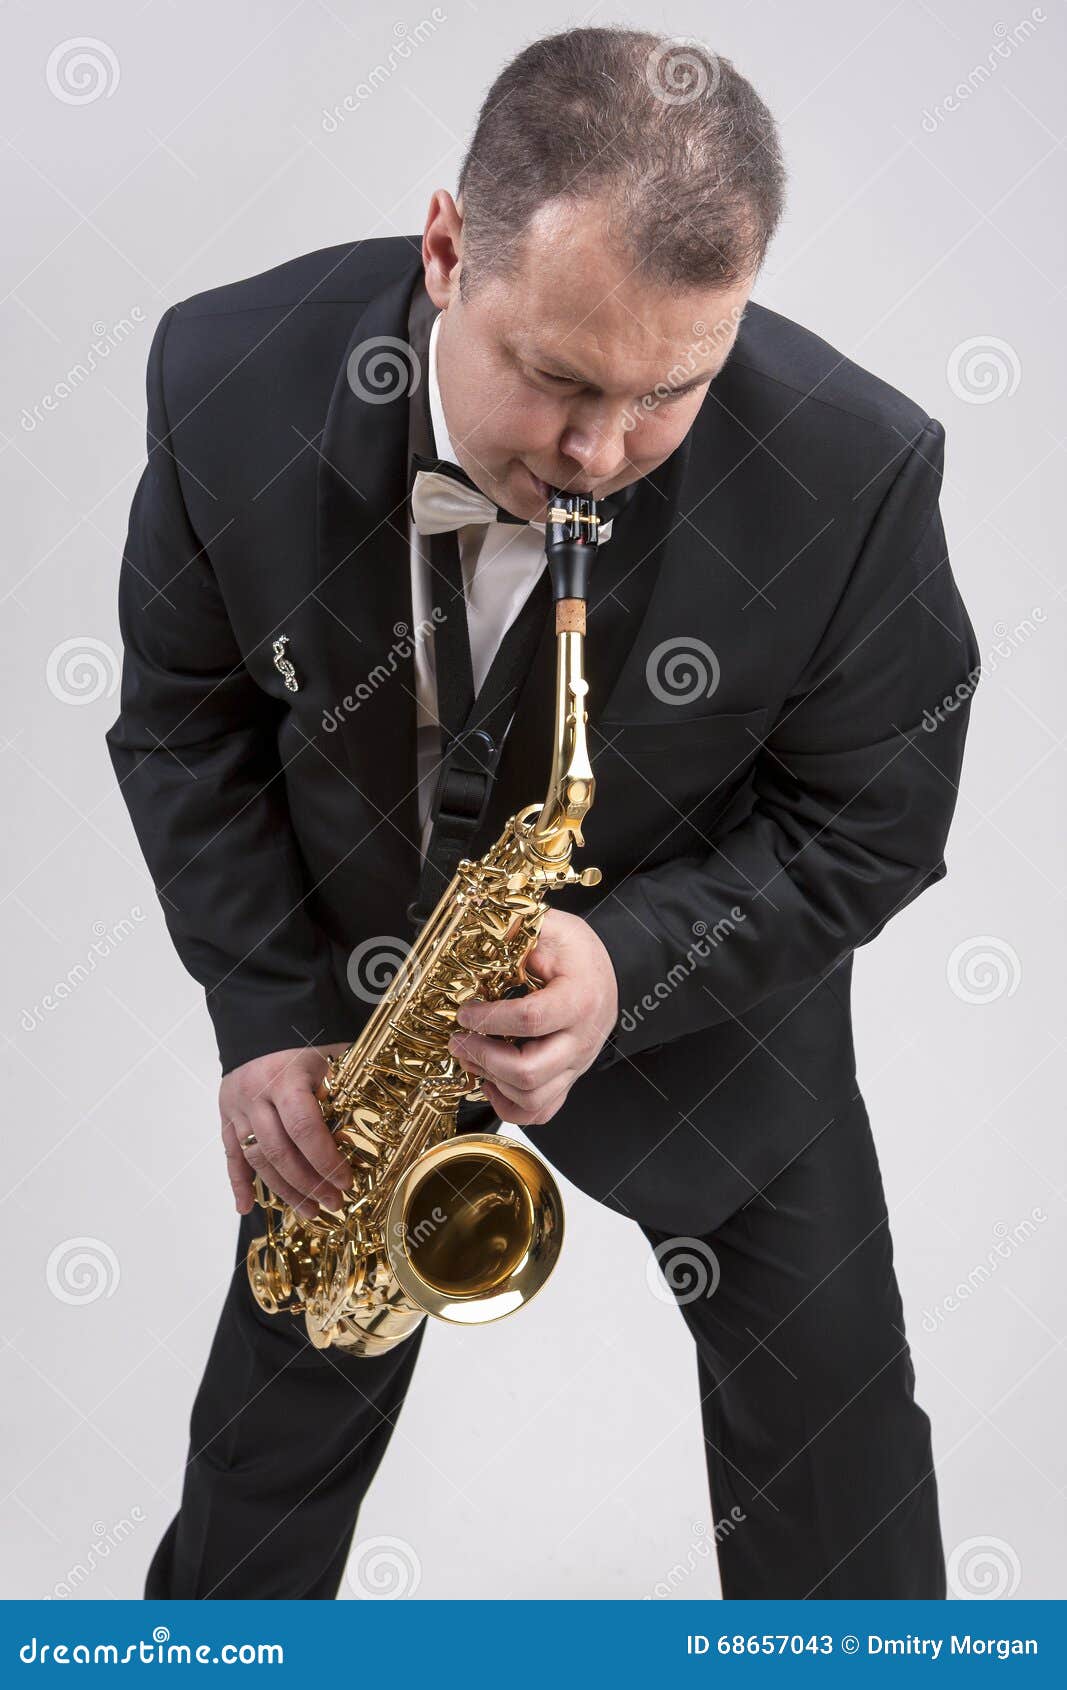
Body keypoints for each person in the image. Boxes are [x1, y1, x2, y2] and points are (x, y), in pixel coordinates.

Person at [106, 26, 978, 1599]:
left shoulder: (853, 470)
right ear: (449, 247)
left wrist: (623, 960)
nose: (599, 458)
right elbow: (184, 723)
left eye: (669, 396)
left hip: (709, 1015)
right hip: (354, 1011)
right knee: (260, 1472)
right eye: (560, 380)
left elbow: (876, 814)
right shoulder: (227, 375)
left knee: (836, 1470)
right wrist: (264, 1011)